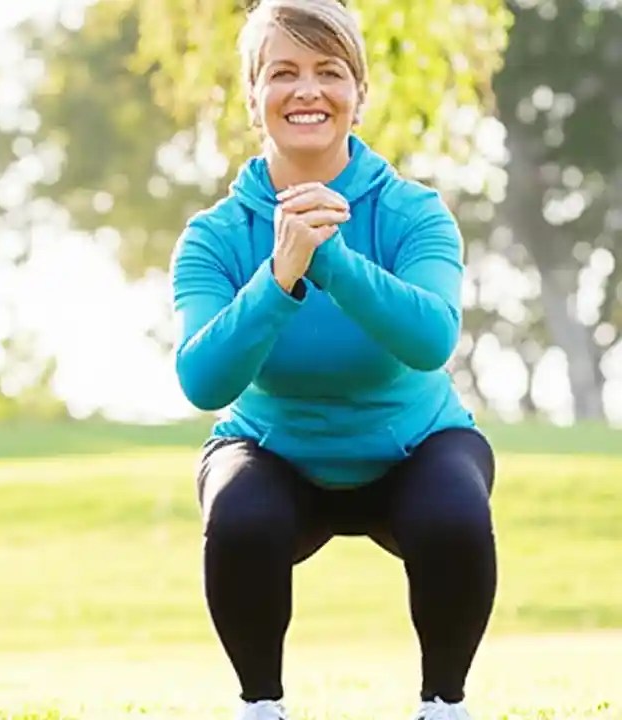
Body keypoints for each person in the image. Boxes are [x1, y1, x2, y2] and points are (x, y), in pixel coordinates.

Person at [168, 1, 497, 718]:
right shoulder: (215, 237)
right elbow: (202, 380)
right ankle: (261, 706)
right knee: (240, 516)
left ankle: (444, 705)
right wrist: (278, 278)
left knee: (455, 515)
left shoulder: (414, 213)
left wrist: (334, 262)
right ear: (254, 98)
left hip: (414, 445)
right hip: (272, 449)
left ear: (360, 93)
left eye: (329, 71)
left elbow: (431, 339)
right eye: (282, 73)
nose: (307, 91)